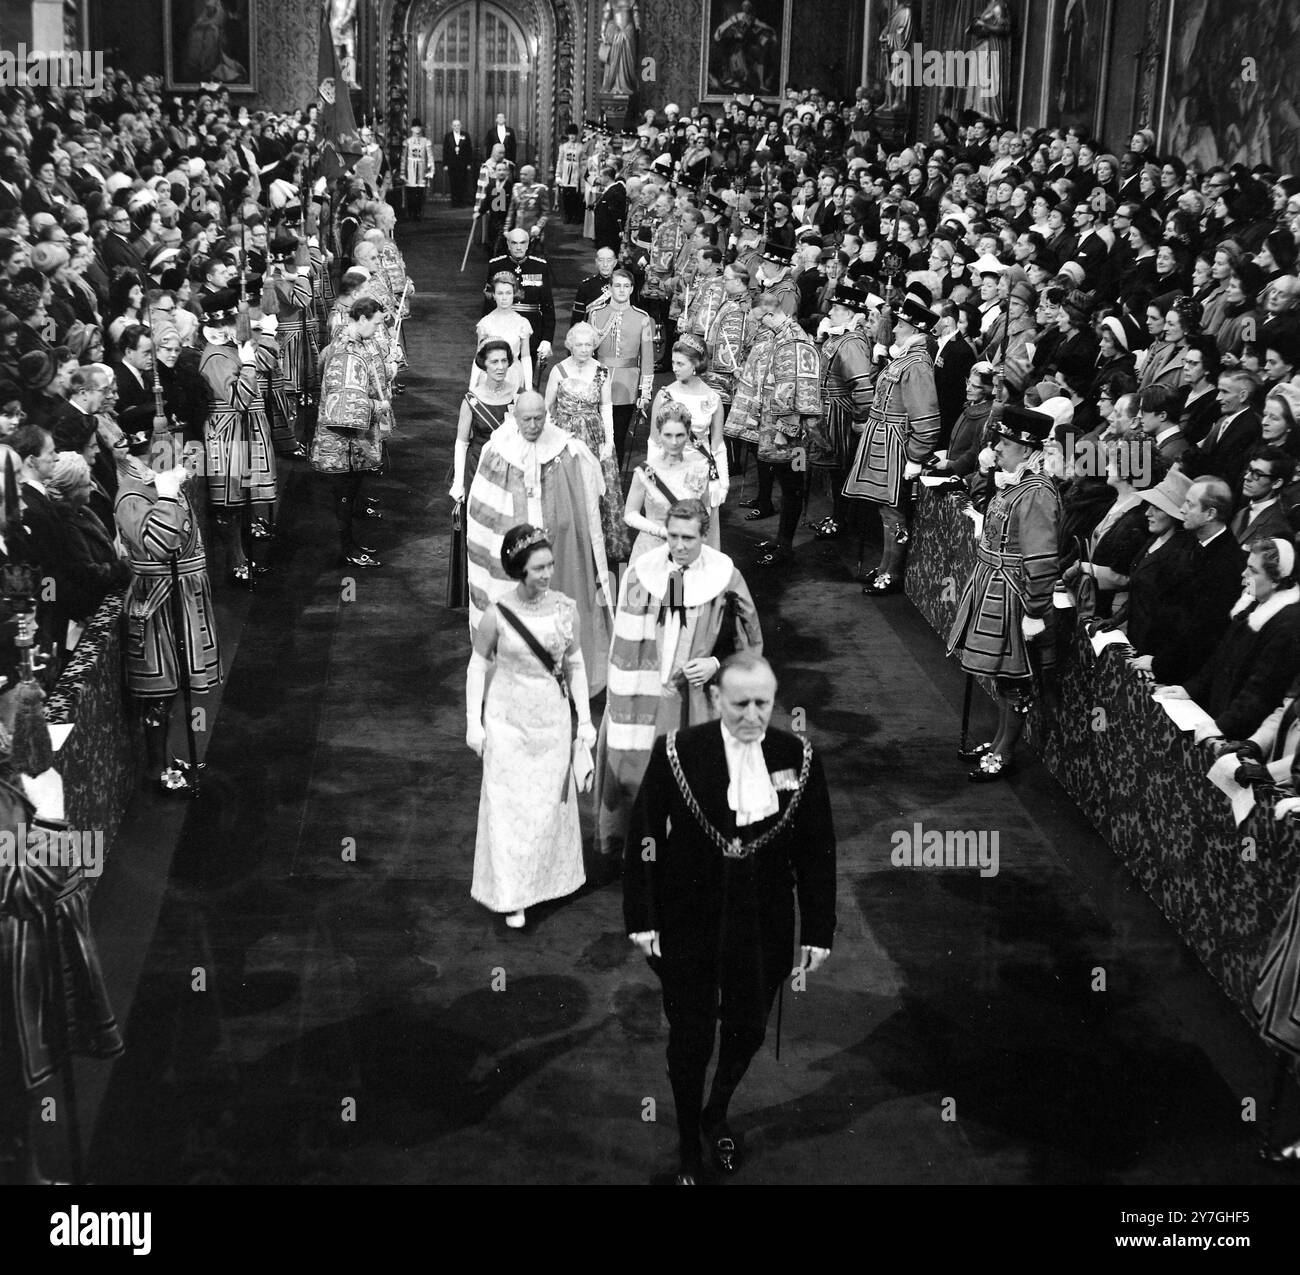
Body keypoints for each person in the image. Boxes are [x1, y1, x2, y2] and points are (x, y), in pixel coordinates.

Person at [623, 651, 836, 1184]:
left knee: (747, 1030)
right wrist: (642, 917)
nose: (752, 715)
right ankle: (687, 1151)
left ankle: (716, 1111)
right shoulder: (678, 751)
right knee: (690, 1038)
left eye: (763, 703)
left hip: (763, 921)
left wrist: (817, 928)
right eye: (740, 703)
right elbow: (646, 838)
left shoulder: (799, 756)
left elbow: (817, 850)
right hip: (688, 916)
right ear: (717, 699)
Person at [595, 499, 762, 854]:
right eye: (673, 536)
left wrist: (716, 664)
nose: (679, 546)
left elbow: (750, 644)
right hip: (650, 700)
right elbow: (626, 643)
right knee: (642, 775)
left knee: (700, 780)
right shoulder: (644, 573)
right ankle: (641, 846)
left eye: (688, 537)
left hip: (700, 701)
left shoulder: (725, 578)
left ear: (705, 535)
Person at [465, 525, 595, 929]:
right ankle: (512, 894)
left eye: (550, 565)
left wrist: (585, 721)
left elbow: (575, 664)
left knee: (544, 807)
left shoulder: (564, 608)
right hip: (506, 720)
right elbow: (477, 663)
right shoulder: (496, 614)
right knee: (508, 808)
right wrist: (474, 721)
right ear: (518, 569)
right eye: (539, 567)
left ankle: (547, 881)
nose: (547, 574)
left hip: (551, 720)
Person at [466, 392, 613, 693]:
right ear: (515, 418)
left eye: (539, 418)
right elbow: (482, 511)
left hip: (558, 554)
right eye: (527, 419)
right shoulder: (498, 452)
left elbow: (585, 503)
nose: (533, 425)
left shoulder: (568, 451)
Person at [947, 404, 1063, 782]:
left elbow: (1042, 559)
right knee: (1002, 676)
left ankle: (1006, 750)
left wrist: (1035, 610)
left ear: (1027, 450)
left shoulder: (1037, 493)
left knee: (1015, 680)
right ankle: (998, 741)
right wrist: (983, 473)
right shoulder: (1014, 481)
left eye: (1004, 443)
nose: (996, 448)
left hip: (1014, 593)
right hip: (993, 583)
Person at [114, 420, 222, 793]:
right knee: (159, 690)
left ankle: (168, 758)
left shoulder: (155, 485)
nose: (176, 453)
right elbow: (160, 544)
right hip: (157, 601)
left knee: (175, 686)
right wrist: (167, 497)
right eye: (168, 447)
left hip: (180, 593)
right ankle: (156, 770)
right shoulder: (133, 496)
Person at [844, 285, 941, 594]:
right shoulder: (905, 359)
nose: (895, 328)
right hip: (883, 439)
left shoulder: (917, 364)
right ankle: (886, 565)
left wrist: (915, 457)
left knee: (894, 510)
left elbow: (925, 417)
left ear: (914, 329)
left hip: (896, 444)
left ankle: (893, 572)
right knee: (886, 510)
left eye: (900, 324)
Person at [1159, 538, 1300, 743]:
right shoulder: (1253, 605)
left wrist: (1224, 725)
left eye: (1253, 570)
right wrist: (1190, 689)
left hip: (1243, 735)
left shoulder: (1288, 623)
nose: (1244, 574)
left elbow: (1262, 691)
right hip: (1223, 715)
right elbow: (1221, 657)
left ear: (1276, 579)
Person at [198, 288, 276, 586]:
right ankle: (236, 561)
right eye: (233, 321)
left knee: (242, 502)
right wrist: (247, 364)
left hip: (244, 431)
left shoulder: (233, 346)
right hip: (228, 436)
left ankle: (245, 556)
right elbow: (239, 398)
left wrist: (266, 336)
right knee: (230, 505)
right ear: (220, 325)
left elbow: (266, 363)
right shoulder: (216, 356)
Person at [312, 297, 394, 570]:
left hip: (351, 444)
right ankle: (346, 550)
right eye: (377, 323)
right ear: (361, 319)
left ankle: (350, 546)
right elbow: (346, 406)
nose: (379, 329)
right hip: (341, 443)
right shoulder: (346, 351)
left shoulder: (350, 341)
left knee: (349, 496)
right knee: (344, 500)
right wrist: (377, 405)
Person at [544, 321, 628, 562]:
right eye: (579, 344)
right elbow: (548, 407)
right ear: (570, 345)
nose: (583, 349)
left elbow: (606, 407)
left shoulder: (602, 371)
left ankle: (595, 544)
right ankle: (567, 542)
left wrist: (609, 441)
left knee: (594, 488)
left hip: (593, 435)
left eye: (588, 344)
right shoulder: (558, 370)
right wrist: (549, 439)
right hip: (565, 436)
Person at [448, 340, 522, 607]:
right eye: (494, 362)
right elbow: (461, 442)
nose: (500, 367)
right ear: (484, 365)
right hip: (478, 470)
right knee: (480, 533)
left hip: (511, 471)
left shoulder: (518, 395)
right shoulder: (471, 400)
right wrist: (458, 484)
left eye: (504, 361)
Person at [649, 335, 727, 549]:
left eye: (680, 363)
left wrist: (723, 483)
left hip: (700, 475)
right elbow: (654, 442)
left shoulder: (713, 399)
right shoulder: (665, 395)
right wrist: (652, 482)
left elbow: (717, 446)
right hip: (670, 472)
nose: (674, 368)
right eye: (673, 362)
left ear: (696, 365)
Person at [623, 401, 711, 561]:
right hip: (650, 553)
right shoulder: (644, 472)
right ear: (659, 434)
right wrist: (662, 532)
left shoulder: (699, 471)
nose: (674, 442)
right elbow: (630, 514)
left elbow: (705, 509)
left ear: (688, 433)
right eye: (668, 435)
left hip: (686, 554)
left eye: (680, 435)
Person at [588, 265, 655, 466]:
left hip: (627, 385)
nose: (622, 290)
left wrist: (645, 391)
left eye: (626, 286)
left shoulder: (642, 318)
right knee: (596, 435)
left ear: (632, 289)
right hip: (598, 381)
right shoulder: (595, 314)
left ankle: (614, 477)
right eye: (617, 286)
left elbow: (648, 357)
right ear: (609, 288)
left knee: (618, 436)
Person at [482, 229, 556, 374]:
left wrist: (547, 339)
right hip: (502, 330)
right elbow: (489, 303)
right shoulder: (496, 266)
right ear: (508, 245)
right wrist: (485, 334)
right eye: (514, 243)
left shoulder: (540, 266)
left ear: (528, 244)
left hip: (532, 332)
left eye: (522, 243)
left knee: (527, 382)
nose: (518, 247)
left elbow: (548, 306)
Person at [473, 272, 535, 394]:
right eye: (500, 293)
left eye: (508, 293)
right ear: (494, 295)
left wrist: (528, 389)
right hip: (489, 376)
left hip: (514, 377)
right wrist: (472, 388)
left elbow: (526, 357)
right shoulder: (485, 323)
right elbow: (478, 357)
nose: (504, 298)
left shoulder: (522, 323)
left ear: (514, 295)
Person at [401, 119, 436, 222]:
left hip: (421, 170)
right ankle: (411, 213)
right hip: (410, 170)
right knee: (410, 193)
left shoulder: (426, 141)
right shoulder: (407, 142)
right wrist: (402, 172)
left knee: (420, 193)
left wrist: (431, 170)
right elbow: (403, 158)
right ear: (412, 128)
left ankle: (419, 213)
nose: (417, 129)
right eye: (415, 127)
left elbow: (430, 157)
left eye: (418, 127)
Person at [554, 124, 585, 225]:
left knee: (576, 197)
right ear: (568, 135)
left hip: (576, 174)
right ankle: (567, 216)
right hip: (566, 173)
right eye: (570, 134)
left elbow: (582, 163)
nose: (572, 136)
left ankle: (575, 217)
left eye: (574, 134)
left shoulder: (581, 147)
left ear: (577, 135)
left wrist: (582, 176)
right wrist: (558, 174)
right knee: (566, 197)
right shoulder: (563, 147)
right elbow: (560, 161)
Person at [442, 119, 475, 208]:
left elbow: (469, 150)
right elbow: (445, 150)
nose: (456, 127)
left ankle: (461, 202)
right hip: (452, 164)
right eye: (454, 125)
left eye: (458, 125)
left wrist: (469, 163)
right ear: (452, 126)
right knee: (453, 183)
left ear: (460, 126)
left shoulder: (465, 135)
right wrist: (445, 164)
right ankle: (454, 202)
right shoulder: (448, 136)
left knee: (463, 183)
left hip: (463, 164)